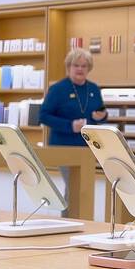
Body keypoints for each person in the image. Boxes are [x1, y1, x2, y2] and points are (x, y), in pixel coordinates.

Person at [39, 48, 107, 214]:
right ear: (69, 66)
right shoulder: (58, 89)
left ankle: (74, 221)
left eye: (84, 66)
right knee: (74, 186)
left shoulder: (94, 89)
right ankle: (72, 221)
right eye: (76, 65)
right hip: (64, 147)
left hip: (87, 148)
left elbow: (101, 112)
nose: (80, 69)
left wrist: (101, 117)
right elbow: (43, 116)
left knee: (79, 188)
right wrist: (70, 126)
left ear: (88, 68)